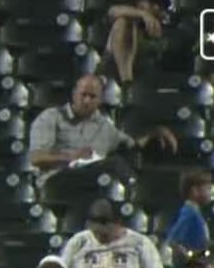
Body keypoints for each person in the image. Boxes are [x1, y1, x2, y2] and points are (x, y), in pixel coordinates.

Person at [28, 74, 177, 186]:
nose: (86, 101)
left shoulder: (105, 126)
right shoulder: (51, 117)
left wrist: (158, 132)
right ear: (74, 94)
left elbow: (133, 145)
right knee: (114, 164)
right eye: (83, 95)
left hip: (93, 182)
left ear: (100, 100)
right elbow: (37, 159)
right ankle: (134, 189)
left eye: (92, 96)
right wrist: (72, 157)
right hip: (56, 181)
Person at [59, 198, 166, 268]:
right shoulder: (78, 242)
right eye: (95, 233)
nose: (99, 237)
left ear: (118, 223)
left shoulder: (140, 242)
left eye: (105, 234)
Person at [163, 170, 213, 256]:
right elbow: (173, 241)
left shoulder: (195, 213)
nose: (211, 193)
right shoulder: (189, 213)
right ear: (195, 191)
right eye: (208, 189)